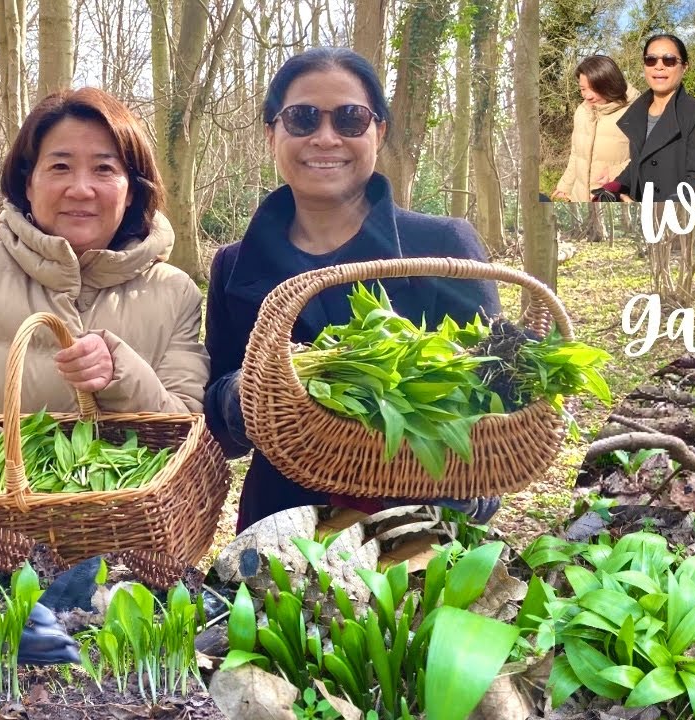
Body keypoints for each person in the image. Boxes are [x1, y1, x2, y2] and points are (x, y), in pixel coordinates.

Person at [202, 47, 502, 533]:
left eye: (350, 119)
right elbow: (220, 422)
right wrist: (248, 396)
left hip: (422, 525)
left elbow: (498, 402)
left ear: (378, 132)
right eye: (301, 119)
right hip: (282, 530)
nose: (325, 138)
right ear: (270, 135)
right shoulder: (235, 265)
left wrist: (467, 494)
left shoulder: (444, 245)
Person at [0, 87, 209, 502]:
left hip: (128, 542)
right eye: (60, 167)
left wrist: (122, 373)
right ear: (28, 183)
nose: (81, 189)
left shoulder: (175, 293)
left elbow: (188, 434)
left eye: (104, 170)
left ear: (132, 190)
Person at [610, 34, 695, 202]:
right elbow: (639, 163)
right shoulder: (637, 113)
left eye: (669, 60)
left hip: (678, 218)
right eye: (651, 60)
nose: (659, 67)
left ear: (684, 67)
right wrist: (614, 187)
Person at [552, 55, 640, 201]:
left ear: (610, 84)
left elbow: (647, 159)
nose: (587, 96)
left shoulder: (637, 111)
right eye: (582, 89)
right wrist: (565, 186)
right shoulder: (582, 111)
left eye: (594, 89)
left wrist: (614, 173)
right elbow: (576, 154)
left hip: (613, 199)